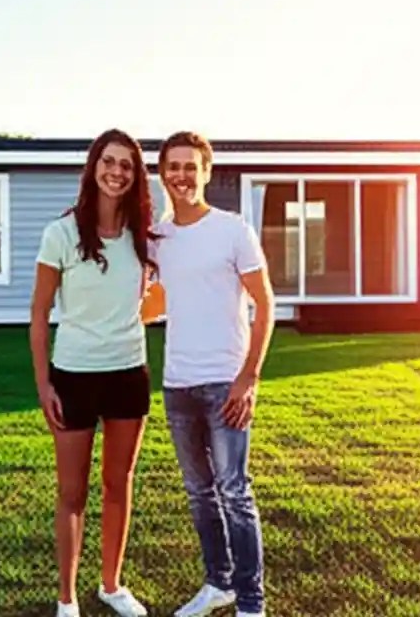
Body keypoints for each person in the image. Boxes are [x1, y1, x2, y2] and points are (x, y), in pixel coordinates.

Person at [30, 129, 158, 617]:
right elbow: (39, 314)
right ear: (93, 166)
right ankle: (66, 599)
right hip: (74, 375)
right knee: (72, 492)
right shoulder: (60, 233)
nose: (117, 171)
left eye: (127, 165)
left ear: (135, 175)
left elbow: (155, 291)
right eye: (109, 161)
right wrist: (44, 386)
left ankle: (111, 585)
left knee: (117, 483)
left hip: (128, 372)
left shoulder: (144, 233)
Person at [147, 131, 275, 617]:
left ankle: (250, 603)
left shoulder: (232, 230)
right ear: (163, 174)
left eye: (190, 166)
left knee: (234, 492)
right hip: (178, 383)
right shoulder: (159, 238)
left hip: (226, 381)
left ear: (206, 171)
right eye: (172, 166)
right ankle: (217, 584)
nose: (181, 175)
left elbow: (265, 305)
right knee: (200, 494)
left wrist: (249, 378)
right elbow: (158, 301)